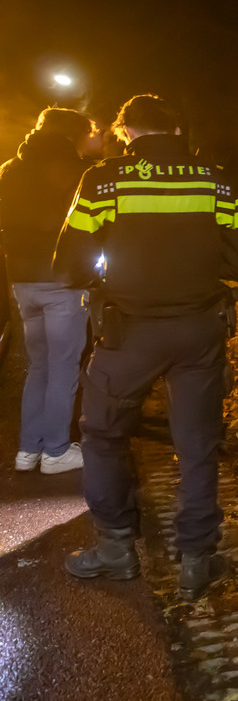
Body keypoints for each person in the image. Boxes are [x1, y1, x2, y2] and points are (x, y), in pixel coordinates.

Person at [53, 94, 238, 600]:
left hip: (129, 333)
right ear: (176, 129)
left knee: (102, 434)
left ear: (126, 132)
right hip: (199, 330)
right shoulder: (215, 179)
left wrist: (109, 273)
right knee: (197, 443)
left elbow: (69, 262)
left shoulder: (103, 180)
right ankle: (196, 559)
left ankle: (117, 550)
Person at [0, 108, 100, 474]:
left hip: (22, 281)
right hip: (63, 282)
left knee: (38, 366)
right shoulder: (78, 171)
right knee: (63, 366)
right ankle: (57, 451)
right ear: (73, 134)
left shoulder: (9, 168)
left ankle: (29, 450)